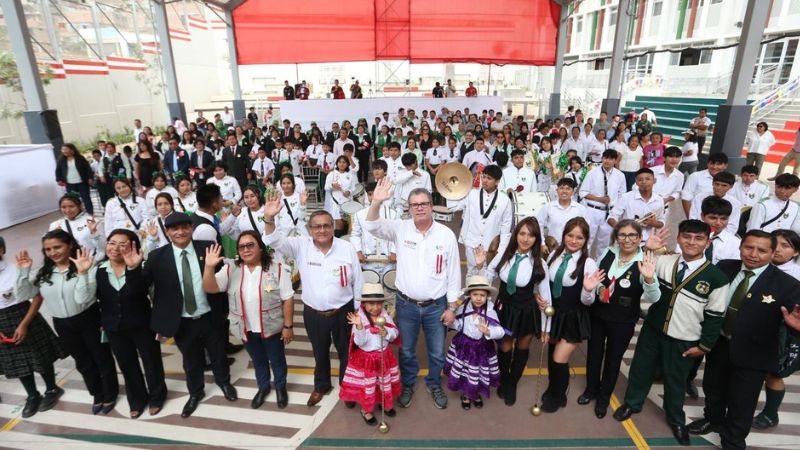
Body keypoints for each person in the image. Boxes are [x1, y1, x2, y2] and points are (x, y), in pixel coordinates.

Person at [614, 221, 730, 446]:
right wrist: (647, 249)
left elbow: (715, 315)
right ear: (678, 238)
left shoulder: (717, 278)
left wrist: (705, 346)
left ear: (707, 243)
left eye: (698, 238)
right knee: (640, 369)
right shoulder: (663, 261)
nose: (691, 242)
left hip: (684, 338)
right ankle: (632, 403)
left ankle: (676, 419)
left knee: (676, 380)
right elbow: (635, 269)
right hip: (653, 330)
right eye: (686, 236)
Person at [687, 230, 800, 450]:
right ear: (740, 248)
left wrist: (795, 329)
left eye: (762, 250)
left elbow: (793, 320)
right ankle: (713, 419)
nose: (753, 254)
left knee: (742, 402)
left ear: (772, 253)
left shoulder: (788, 285)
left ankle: (733, 441)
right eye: (749, 247)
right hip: (719, 344)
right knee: (713, 388)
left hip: (755, 354)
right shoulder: (724, 268)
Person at [125, 212, 237, 418]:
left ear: (191, 229)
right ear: (167, 232)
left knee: (218, 354)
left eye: (185, 227)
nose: (180, 232)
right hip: (182, 321)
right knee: (191, 360)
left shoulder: (208, 248)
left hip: (210, 316)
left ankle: (224, 382)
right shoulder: (157, 257)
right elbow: (138, 288)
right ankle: (196, 392)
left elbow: (222, 280)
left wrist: (226, 309)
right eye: (174, 229)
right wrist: (133, 269)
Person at [365, 179, 461, 410]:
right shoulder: (400, 228)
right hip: (406, 305)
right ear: (409, 208)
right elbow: (372, 226)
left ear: (432, 206)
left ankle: (433, 383)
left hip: (436, 306)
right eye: (415, 204)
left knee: (436, 352)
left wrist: (452, 308)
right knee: (406, 350)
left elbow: (454, 273)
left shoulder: (446, 235)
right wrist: (376, 202)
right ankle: (408, 384)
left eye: (424, 203)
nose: (419, 208)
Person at [262, 194, 363, 407]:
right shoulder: (301, 246)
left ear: (333, 227)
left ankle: (347, 386)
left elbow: (358, 281)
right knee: (319, 351)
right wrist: (269, 219)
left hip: (344, 311)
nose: (322, 230)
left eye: (326, 225)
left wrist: (358, 311)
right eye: (317, 226)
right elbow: (272, 240)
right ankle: (321, 386)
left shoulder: (346, 248)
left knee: (346, 351)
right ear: (309, 229)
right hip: (313, 313)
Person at [16, 230, 119, 415]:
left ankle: (110, 392)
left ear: (70, 245)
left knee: (101, 357)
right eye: (48, 249)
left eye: (57, 247)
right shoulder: (45, 273)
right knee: (82, 361)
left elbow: (83, 298)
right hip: (62, 324)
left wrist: (83, 273)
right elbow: (24, 295)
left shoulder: (87, 265)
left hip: (89, 318)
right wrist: (23, 272)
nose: (53, 252)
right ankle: (97, 393)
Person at [577, 220, 660, 419]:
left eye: (632, 235)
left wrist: (649, 279)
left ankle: (603, 398)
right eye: (622, 235)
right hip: (599, 314)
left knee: (613, 359)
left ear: (640, 238)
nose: (627, 239)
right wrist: (599, 289)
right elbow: (597, 277)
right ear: (616, 237)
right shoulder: (609, 252)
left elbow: (654, 297)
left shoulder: (644, 261)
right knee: (594, 354)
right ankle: (591, 390)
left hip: (623, 320)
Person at [202, 233, 293, 410]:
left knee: (277, 360)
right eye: (242, 247)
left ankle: (280, 387)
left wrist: (288, 326)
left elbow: (287, 298)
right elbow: (210, 288)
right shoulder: (231, 269)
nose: (246, 250)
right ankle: (263, 388)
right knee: (258, 361)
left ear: (260, 247)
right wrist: (208, 267)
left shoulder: (278, 269)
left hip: (272, 327)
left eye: (250, 245)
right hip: (246, 328)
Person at [86, 230, 167, 418]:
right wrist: (83, 274)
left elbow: (147, 293)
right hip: (114, 327)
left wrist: (133, 269)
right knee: (126, 364)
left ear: (133, 247)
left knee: (151, 361)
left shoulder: (143, 267)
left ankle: (157, 396)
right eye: (112, 243)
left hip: (143, 324)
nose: (115, 248)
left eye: (122, 244)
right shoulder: (97, 270)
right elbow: (88, 300)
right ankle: (137, 399)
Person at [473, 217, 551, 406]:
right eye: (522, 233)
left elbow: (545, 296)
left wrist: (545, 328)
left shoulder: (540, 263)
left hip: (526, 311)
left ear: (536, 239)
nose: (525, 239)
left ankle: (512, 383)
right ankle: (505, 379)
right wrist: (481, 266)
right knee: (505, 346)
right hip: (505, 309)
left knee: (522, 348)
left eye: (531, 235)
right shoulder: (504, 255)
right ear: (516, 234)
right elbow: (488, 278)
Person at [538, 218, 605, 413]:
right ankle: (553, 388)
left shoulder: (588, 263)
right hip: (554, 314)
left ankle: (559, 395)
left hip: (573, 317)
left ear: (586, 240)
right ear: (564, 235)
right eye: (570, 235)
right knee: (552, 354)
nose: (574, 241)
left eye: (580, 237)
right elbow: (544, 285)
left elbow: (588, 301)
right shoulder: (554, 255)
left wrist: (588, 289)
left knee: (559, 358)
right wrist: (539, 298)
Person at [0, 235, 65, 418]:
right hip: (2, 323)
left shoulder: (16, 270)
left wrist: (24, 324)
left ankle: (52, 388)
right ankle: (32, 395)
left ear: (2, 250)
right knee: (17, 362)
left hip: (24, 316)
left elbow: (37, 296)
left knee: (40, 355)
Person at [339, 283, 401, 424]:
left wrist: (387, 332)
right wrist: (360, 327)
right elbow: (360, 342)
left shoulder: (385, 316)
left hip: (384, 356)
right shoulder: (359, 318)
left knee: (383, 382)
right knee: (369, 386)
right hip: (368, 360)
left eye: (379, 303)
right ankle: (366, 410)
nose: (376, 307)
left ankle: (384, 403)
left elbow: (395, 333)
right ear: (364, 304)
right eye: (371, 304)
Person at [444, 275, 505, 410]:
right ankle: (467, 394)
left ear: (487, 296)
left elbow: (500, 331)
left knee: (478, 373)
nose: (478, 298)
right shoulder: (464, 308)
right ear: (469, 295)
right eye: (475, 294)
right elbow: (460, 324)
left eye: (482, 295)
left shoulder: (490, 312)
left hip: (482, 349)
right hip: (464, 346)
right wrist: (452, 322)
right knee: (465, 372)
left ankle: (475, 394)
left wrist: (488, 331)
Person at [452, 165, 512, 277]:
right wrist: (450, 188)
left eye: (489, 178)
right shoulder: (471, 194)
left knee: (488, 276)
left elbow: (506, 228)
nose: (484, 180)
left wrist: (501, 249)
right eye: (483, 177)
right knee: (471, 273)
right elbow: (454, 207)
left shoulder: (505, 200)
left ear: (497, 181)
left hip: (491, 246)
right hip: (471, 242)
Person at [579, 149, 626, 258]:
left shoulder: (620, 175)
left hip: (610, 212)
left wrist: (615, 211)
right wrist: (599, 199)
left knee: (605, 242)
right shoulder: (592, 173)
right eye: (605, 158)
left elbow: (622, 195)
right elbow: (583, 192)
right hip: (593, 210)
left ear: (615, 161)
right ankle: (582, 262)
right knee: (587, 239)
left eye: (611, 159)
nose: (607, 161)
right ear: (602, 159)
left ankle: (600, 264)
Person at [608, 168, 665, 243]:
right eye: (640, 180)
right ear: (636, 182)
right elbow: (611, 218)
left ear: (654, 181)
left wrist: (654, 223)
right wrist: (622, 231)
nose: (644, 182)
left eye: (647, 179)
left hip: (648, 242)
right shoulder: (626, 197)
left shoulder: (659, 200)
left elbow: (661, 221)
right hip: (627, 241)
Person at [49, 193, 104, 260]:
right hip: (69, 261)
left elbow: (103, 246)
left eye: (71, 206)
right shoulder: (55, 225)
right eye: (64, 207)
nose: (68, 210)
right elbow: (51, 249)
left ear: (79, 206)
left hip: (92, 260)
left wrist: (94, 232)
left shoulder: (93, 221)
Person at [535, 178, 587, 247]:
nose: (564, 191)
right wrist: (542, 243)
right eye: (561, 188)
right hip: (553, 247)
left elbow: (587, 230)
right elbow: (538, 225)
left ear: (573, 191)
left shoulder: (581, 209)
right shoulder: (548, 207)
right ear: (557, 190)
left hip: (573, 247)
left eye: (568, 188)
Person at [681, 152, 729, 218]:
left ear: (725, 166)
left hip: (719, 220)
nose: (714, 167)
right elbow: (686, 198)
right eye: (712, 163)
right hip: (697, 217)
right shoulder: (695, 176)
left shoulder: (728, 181)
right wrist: (691, 219)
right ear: (707, 164)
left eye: (718, 164)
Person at [55, 143, 95, 216]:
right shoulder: (61, 160)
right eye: (62, 149)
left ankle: (90, 214)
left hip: (82, 182)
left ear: (72, 149)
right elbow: (58, 170)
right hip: (70, 184)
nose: (64, 151)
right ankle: (77, 214)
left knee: (86, 198)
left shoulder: (80, 158)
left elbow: (87, 168)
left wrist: (90, 178)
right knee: (73, 200)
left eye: (66, 149)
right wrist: (58, 180)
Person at [324, 155, 357, 237]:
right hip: (336, 202)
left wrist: (349, 192)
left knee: (346, 224)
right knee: (339, 223)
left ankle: (343, 239)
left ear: (347, 164)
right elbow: (326, 187)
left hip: (347, 203)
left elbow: (353, 188)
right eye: (339, 162)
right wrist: (332, 186)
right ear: (337, 163)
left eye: (344, 162)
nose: (341, 164)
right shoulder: (332, 174)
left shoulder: (350, 175)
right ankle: (337, 239)